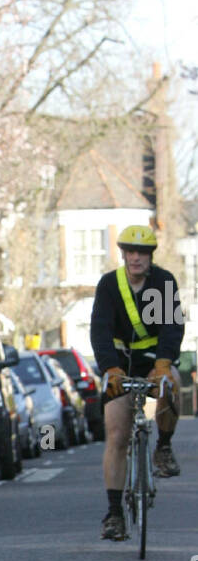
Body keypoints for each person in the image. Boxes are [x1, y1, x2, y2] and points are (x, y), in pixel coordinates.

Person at [90, 223, 184, 541]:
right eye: (130, 251)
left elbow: (172, 327)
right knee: (116, 433)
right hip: (120, 363)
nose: (136, 257)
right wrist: (111, 370)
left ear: (150, 256)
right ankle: (114, 513)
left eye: (142, 252)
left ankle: (164, 448)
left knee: (173, 384)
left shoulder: (164, 282)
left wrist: (162, 364)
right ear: (123, 254)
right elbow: (100, 331)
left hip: (154, 360)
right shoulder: (108, 286)